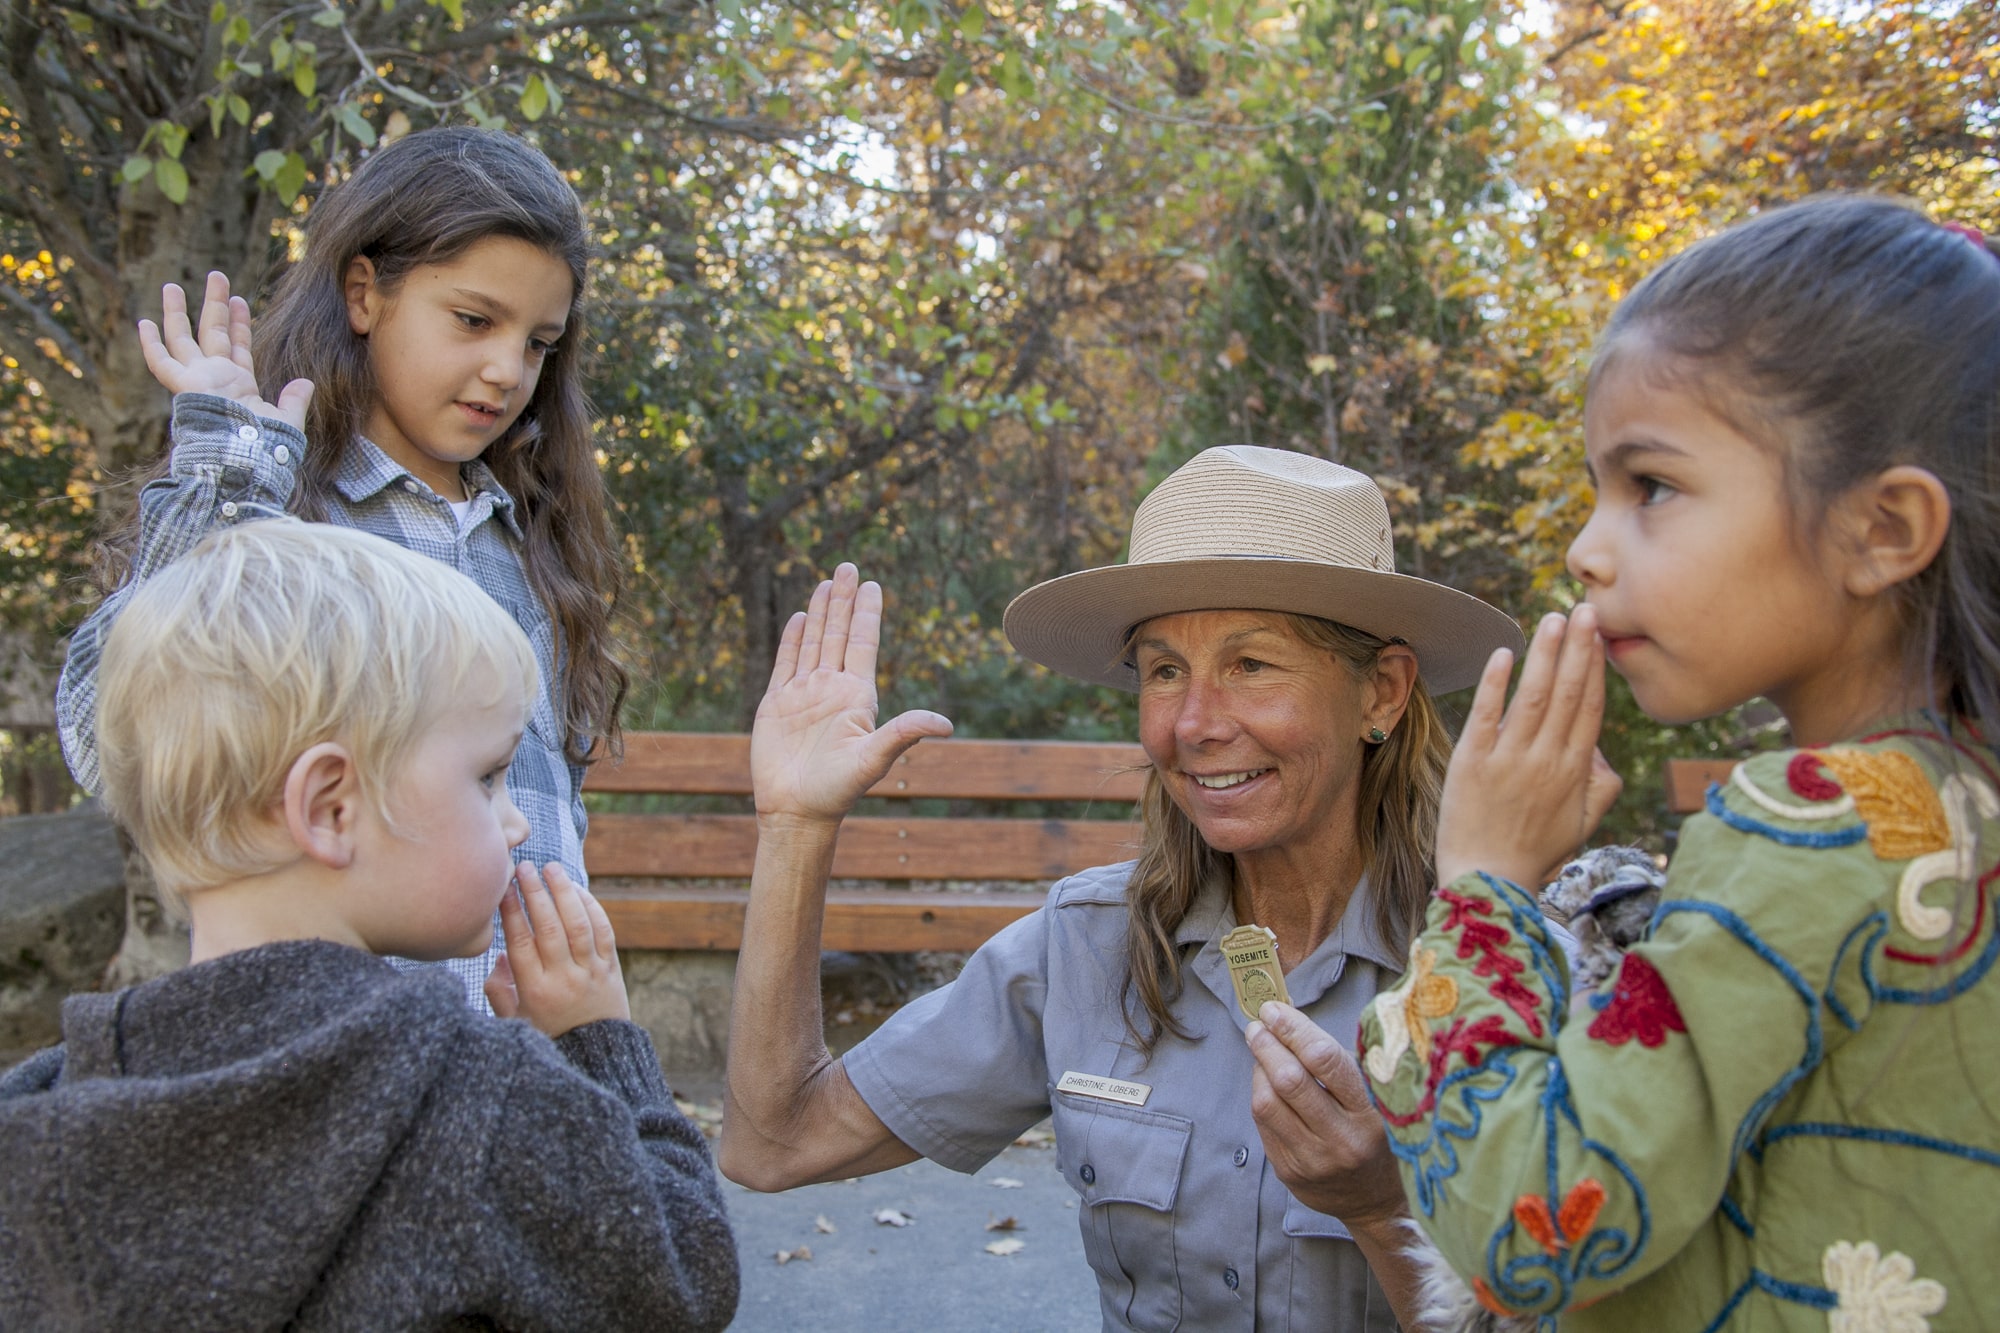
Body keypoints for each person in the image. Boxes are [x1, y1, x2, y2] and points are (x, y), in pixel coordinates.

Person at [1361, 196, 2000, 1330]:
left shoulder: (1811, 824)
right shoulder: (1963, 812)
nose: (1585, 548)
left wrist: (1481, 887)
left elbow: (1532, 1225)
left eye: (1649, 485)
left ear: (1882, 529)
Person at [721, 445, 1528, 1330]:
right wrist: (795, 827)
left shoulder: (1504, 974)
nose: (1194, 724)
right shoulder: (1086, 946)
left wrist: (1381, 1208)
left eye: (1252, 665)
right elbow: (775, 1141)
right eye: (1164, 670)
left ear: (1383, 691)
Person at [0, 521, 737, 1329]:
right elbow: (683, 1282)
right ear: (330, 808)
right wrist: (598, 1045)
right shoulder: (481, 1100)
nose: (516, 822)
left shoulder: (42, 1117)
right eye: (488, 776)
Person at [56, 126, 625, 1008]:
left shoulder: (533, 542)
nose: (507, 369)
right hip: (339, 1052)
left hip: (532, 1059)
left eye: (539, 342)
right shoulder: (280, 519)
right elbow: (109, 742)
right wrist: (228, 476)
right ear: (365, 293)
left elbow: (552, 820)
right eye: (474, 320)